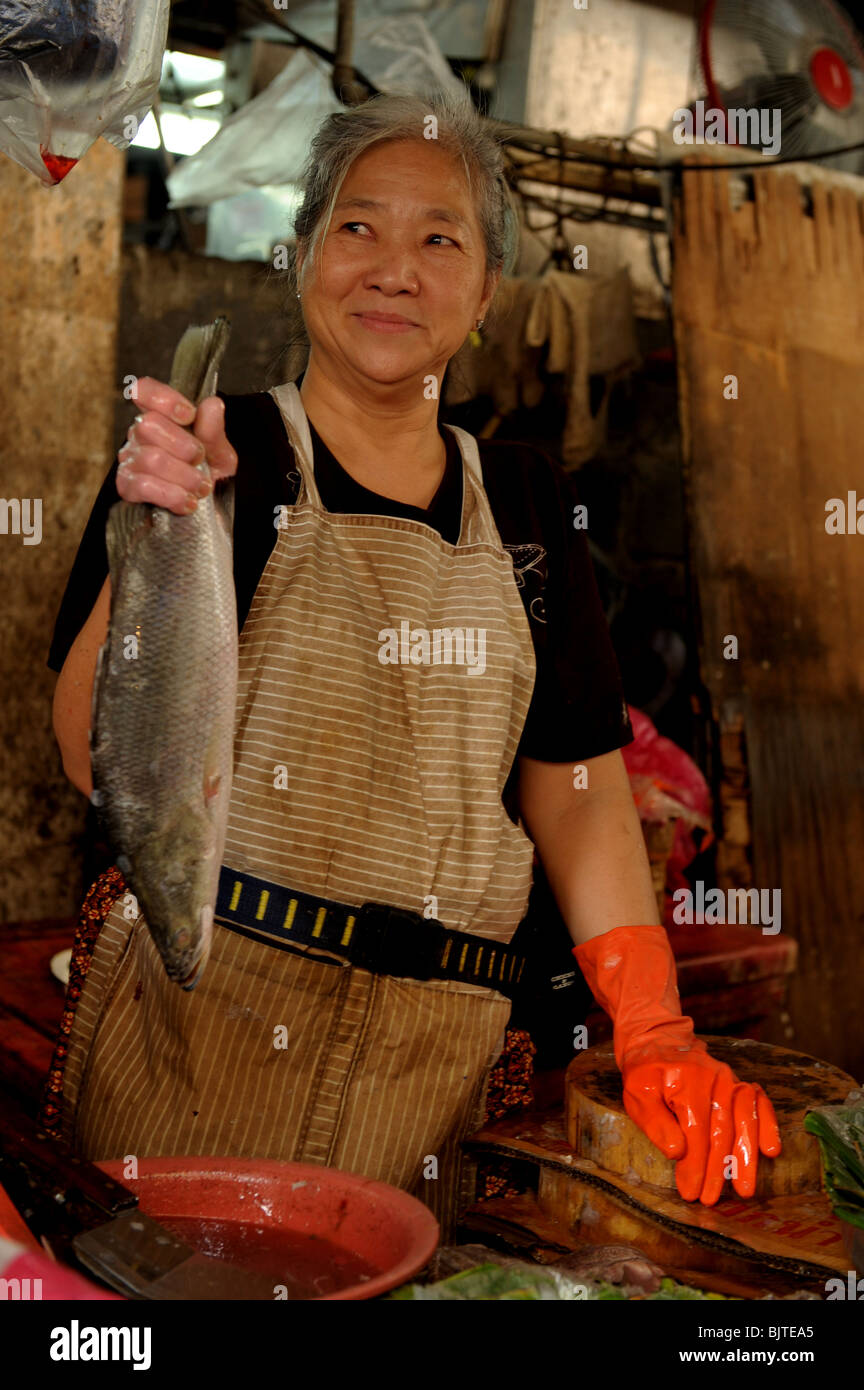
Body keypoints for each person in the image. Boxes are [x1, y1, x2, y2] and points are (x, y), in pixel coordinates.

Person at [47, 91, 780, 1241]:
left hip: (433, 1068)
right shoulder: (215, 452)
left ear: (487, 292)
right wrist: (157, 520)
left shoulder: (531, 501)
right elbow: (105, 761)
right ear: (302, 257)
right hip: (198, 1031)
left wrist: (655, 1031)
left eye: (441, 238)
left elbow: (579, 792)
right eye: (358, 227)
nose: (395, 268)